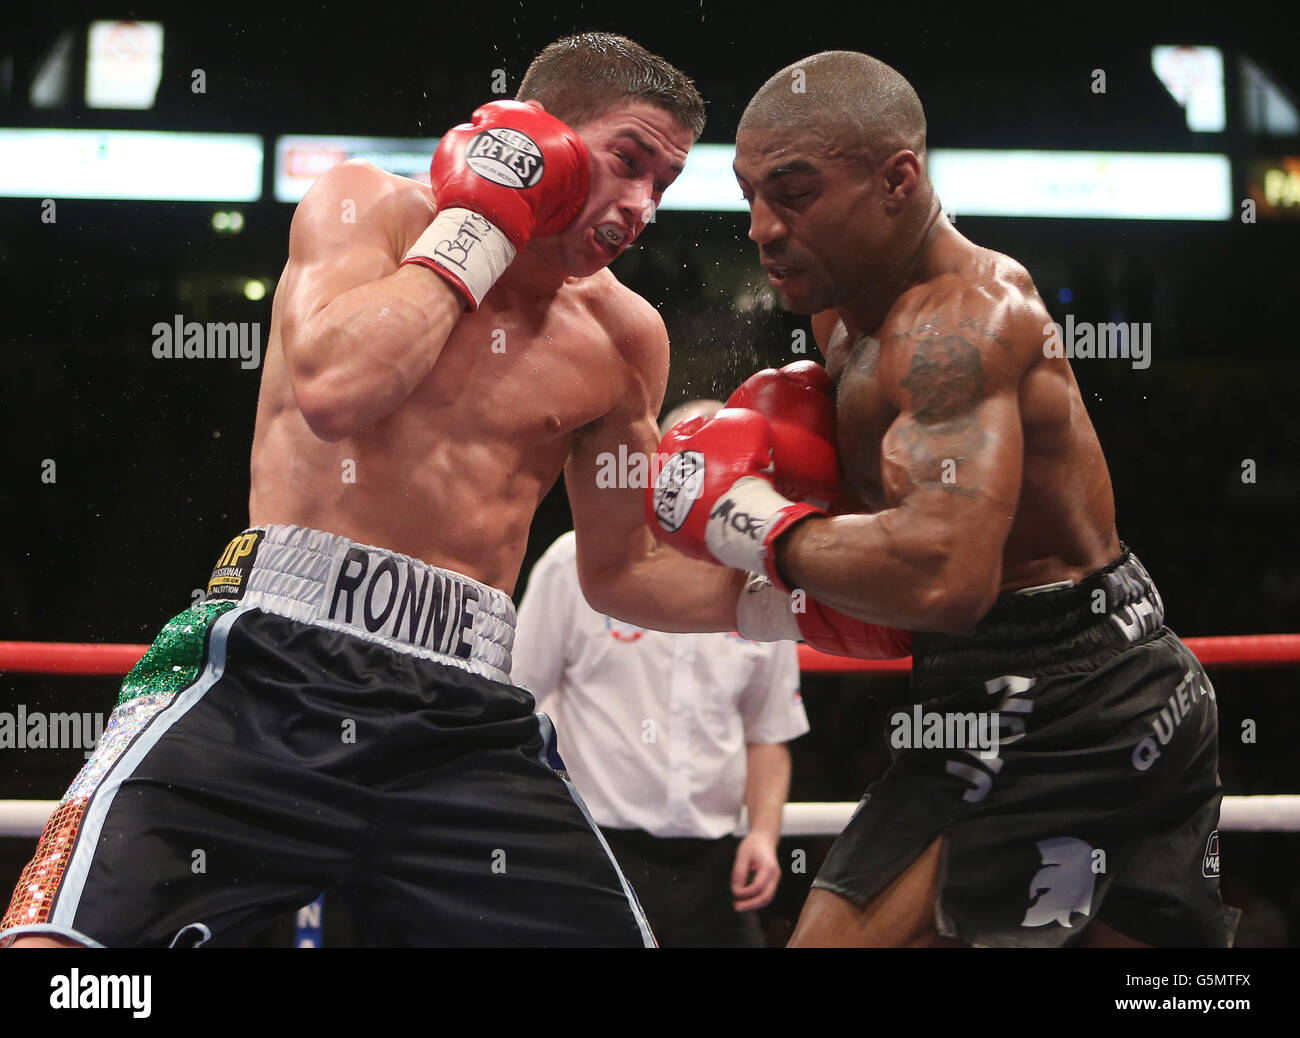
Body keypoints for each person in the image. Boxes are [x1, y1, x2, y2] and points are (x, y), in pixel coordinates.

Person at [1, 31, 735, 949]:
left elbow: (625, 573)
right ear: (540, 134)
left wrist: (791, 584)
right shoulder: (370, 210)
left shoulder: (627, 337)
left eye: (663, 183)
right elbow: (337, 391)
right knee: (64, 955)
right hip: (269, 668)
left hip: (465, 712)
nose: (642, 205)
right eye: (628, 162)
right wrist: (483, 226)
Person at [646, 50, 1239, 948]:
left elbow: (942, 579)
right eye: (750, 196)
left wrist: (747, 520)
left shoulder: (963, 322)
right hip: (1082, 676)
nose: (763, 227)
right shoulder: (841, 319)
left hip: (1056, 694)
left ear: (898, 180)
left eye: (794, 193)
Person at [512, 400, 809, 948]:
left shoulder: (760, 581)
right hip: (596, 847)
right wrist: (541, 820)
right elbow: (521, 699)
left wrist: (765, 836)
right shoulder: (575, 564)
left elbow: (767, 732)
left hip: (714, 864)